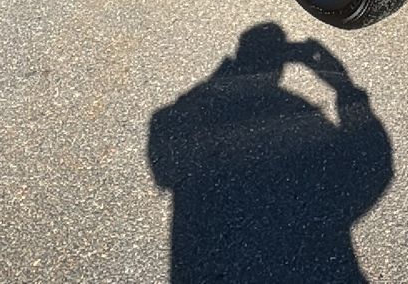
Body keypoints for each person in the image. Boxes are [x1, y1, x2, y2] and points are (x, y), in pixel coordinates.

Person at [147, 23, 392, 282]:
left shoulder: (172, 117)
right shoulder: (296, 109)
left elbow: (165, 171)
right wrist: (344, 88)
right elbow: (372, 170)